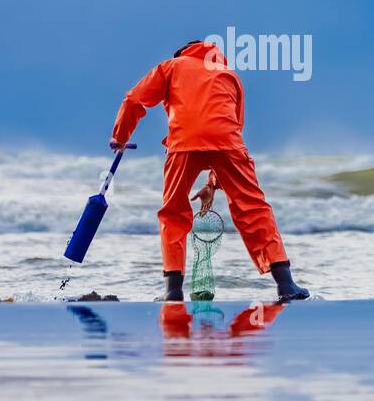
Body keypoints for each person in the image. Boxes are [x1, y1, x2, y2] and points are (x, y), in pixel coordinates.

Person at [110, 40, 309, 303]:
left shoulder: (171, 66)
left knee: (173, 212)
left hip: (183, 144)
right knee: (253, 208)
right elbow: (232, 126)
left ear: (182, 53)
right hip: (228, 143)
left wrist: (121, 137)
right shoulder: (229, 75)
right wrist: (214, 181)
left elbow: (135, 99)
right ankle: (286, 285)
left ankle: (172, 290)